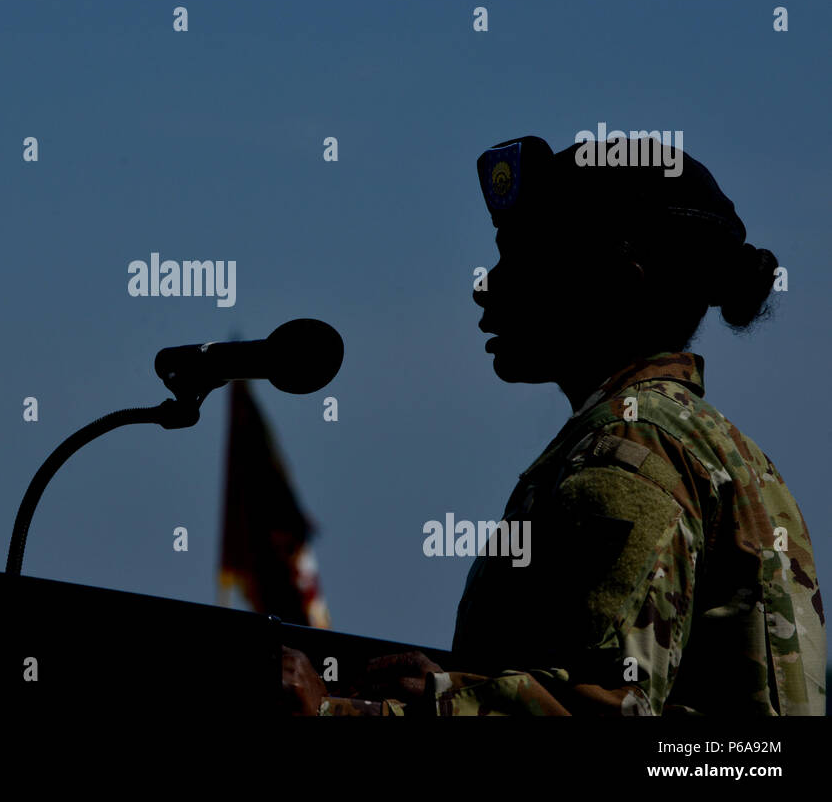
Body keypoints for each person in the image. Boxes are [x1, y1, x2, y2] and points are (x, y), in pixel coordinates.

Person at [285, 134, 825, 715]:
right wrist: (455, 688)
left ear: (619, 287)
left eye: (523, 257)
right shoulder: (712, 446)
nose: (485, 283)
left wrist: (328, 712)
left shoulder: (629, 452)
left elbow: (598, 707)